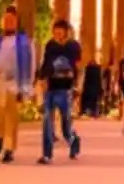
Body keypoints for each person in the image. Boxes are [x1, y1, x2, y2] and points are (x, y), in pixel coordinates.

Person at [0, 6, 35, 163]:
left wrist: (25, 89)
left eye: (11, 20)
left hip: (14, 83)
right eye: (5, 20)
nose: (8, 23)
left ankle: (8, 149)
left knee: (10, 118)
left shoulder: (25, 43)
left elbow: (30, 66)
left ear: (17, 22)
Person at [38, 19, 83, 164]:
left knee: (66, 126)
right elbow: (45, 64)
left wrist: (77, 86)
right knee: (47, 120)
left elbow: (78, 67)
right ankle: (47, 154)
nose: (57, 34)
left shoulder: (73, 46)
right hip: (51, 88)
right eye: (55, 32)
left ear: (66, 32)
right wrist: (41, 79)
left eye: (60, 31)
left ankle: (73, 140)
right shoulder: (50, 45)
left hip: (66, 89)